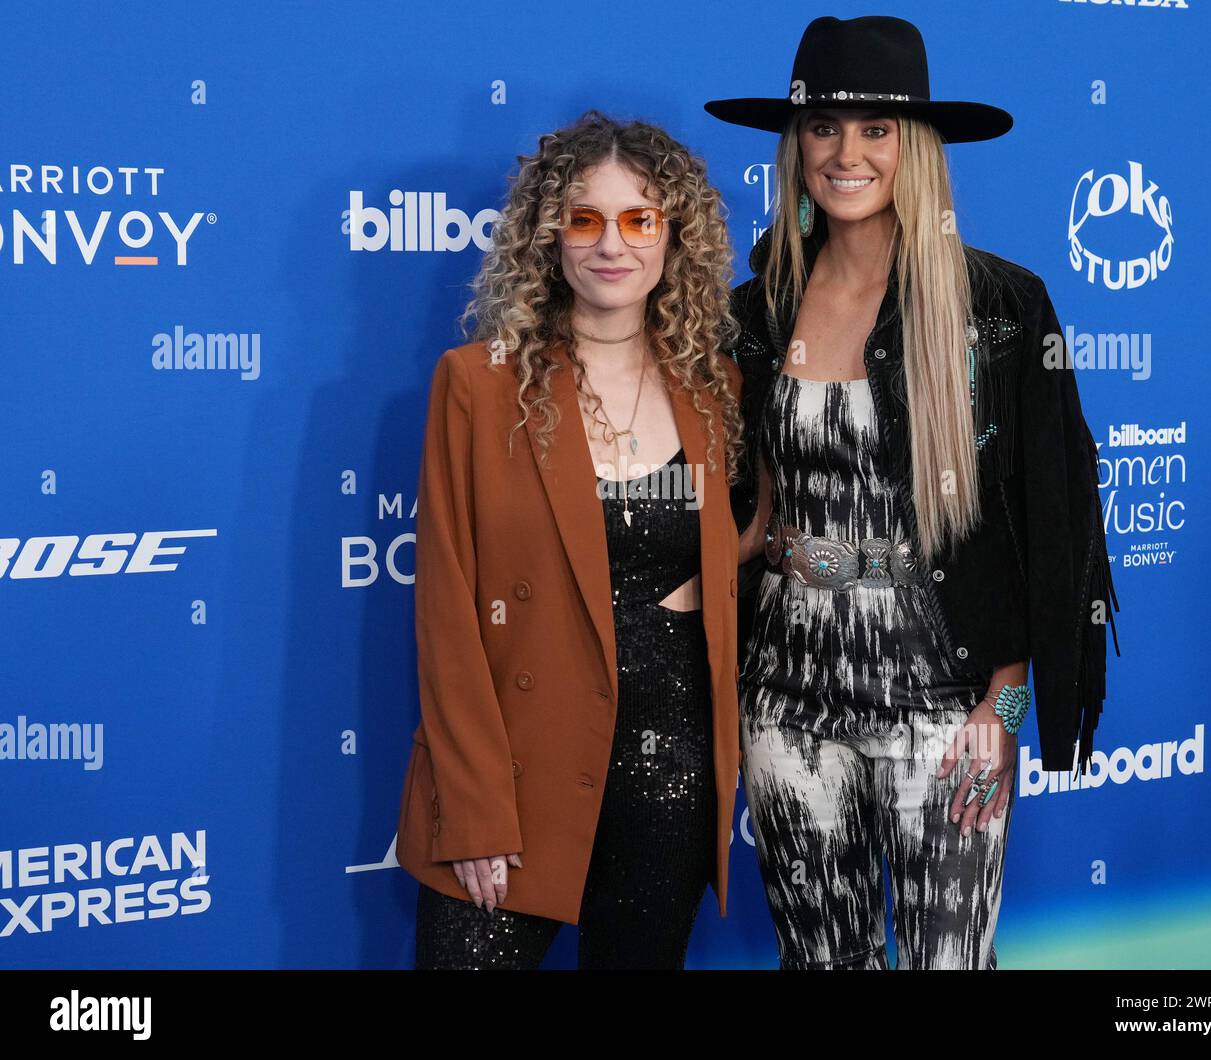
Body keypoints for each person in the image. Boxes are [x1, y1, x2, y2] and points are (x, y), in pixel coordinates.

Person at [705, 15, 1119, 968]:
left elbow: (1054, 523)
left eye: (876, 130)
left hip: (949, 705)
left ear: (916, 149)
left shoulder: (1002, 310)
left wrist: (1007, 711)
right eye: (824, 128)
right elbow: (731, 501)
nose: (845, 154)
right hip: (786, 703)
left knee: (948, 962)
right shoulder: (749, 311)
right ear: (794, 144)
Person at [394, 110, 745, 969]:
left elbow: (744, 550)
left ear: (674, 237)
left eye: (639, 219)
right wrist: (473, 810)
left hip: (671, 773)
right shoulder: (477, 386)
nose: (611, 245)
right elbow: (447, 609)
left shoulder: (717, 390)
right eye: (585, 219)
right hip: (515, 773)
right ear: (548, 237)